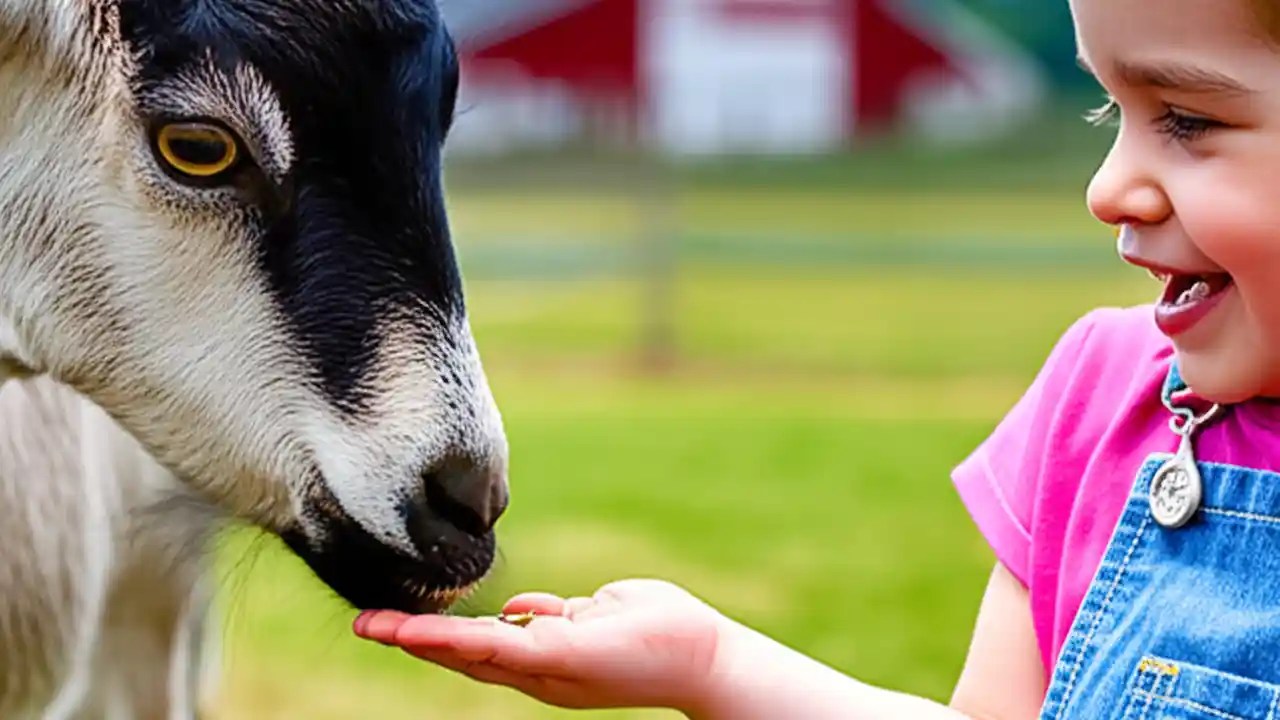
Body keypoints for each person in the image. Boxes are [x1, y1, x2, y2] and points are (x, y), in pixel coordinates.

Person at [353, 0, 1280, 716]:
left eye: (1188, 119)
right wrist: (711, 664)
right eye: (1106, 113)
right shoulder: (1101, 397)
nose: (1108, 187)